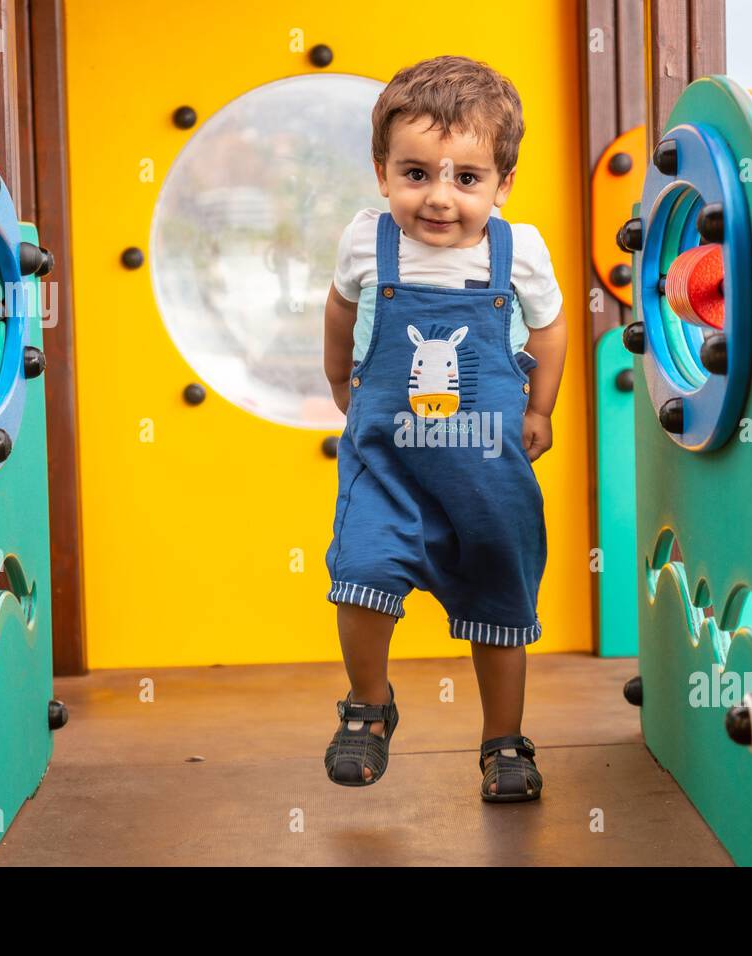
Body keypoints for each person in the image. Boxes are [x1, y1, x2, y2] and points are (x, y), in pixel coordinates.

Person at [321, 55, 566, 802]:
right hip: (387, 464)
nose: (439, 198)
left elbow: (550, 331)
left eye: (466, 178)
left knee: (501, 600)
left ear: (503, 184)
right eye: (416, 173)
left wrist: (539, 408)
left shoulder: (516, 250)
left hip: (487, 473)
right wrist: (339, 378)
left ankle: (503, 740)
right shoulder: (368, 242)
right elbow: (337, 312)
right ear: (382, 170)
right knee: (358, 573)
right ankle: (369, 704)